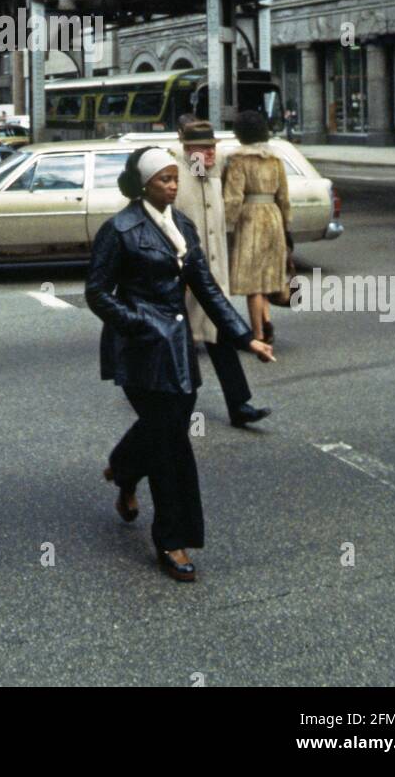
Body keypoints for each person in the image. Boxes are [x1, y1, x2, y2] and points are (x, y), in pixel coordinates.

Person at [86, 147, 275, 583]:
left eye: (175, 179)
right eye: (163, 180)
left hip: (177, 352)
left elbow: (206, 289)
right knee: (172, 444)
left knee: (163, 429)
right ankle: (171, 540)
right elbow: (97, 293)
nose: (172, 186)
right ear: (143, 184)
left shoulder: (182, 226)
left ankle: (124, 469)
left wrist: (246, 337)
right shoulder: (119, 229)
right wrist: (138, 323)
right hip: (138, 351)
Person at [169, 117, 271, 430]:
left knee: (221, 339)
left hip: (212, 279)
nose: (211, 153)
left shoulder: (211, 175)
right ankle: (171, 408)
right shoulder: (173, 178)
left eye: (213, 147)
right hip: (182, 280)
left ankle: (239, 405)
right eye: (203, 148)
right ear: (187, 149)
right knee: (178, 344)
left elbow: (251, 150)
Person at [222, 110, 293, 345]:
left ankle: (259, 335)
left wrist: (227, 224)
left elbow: (233, 198)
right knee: (266, 275)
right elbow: (284, 196)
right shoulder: (275, 160)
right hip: (272, 216)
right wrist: (285, 224)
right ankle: (266, 320)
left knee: (253, 282)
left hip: (250, 218)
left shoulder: (238, 161)